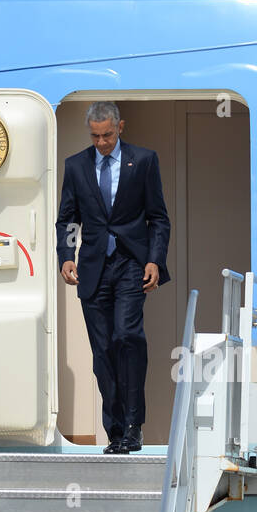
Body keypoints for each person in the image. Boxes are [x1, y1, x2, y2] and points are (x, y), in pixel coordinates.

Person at [56, 102, 170, 453]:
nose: (102, 142)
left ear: (121, 126)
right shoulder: (76, 165)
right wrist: (66, 256)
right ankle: (115, 430)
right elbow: (68, 220)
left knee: (128, 337)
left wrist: (154, 260)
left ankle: (134, 425)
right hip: (93, 269)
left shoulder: (145, 160)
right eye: (95, 136)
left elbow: (159, 218)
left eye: (107, 134)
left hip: (130, 264)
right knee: (103, 352)